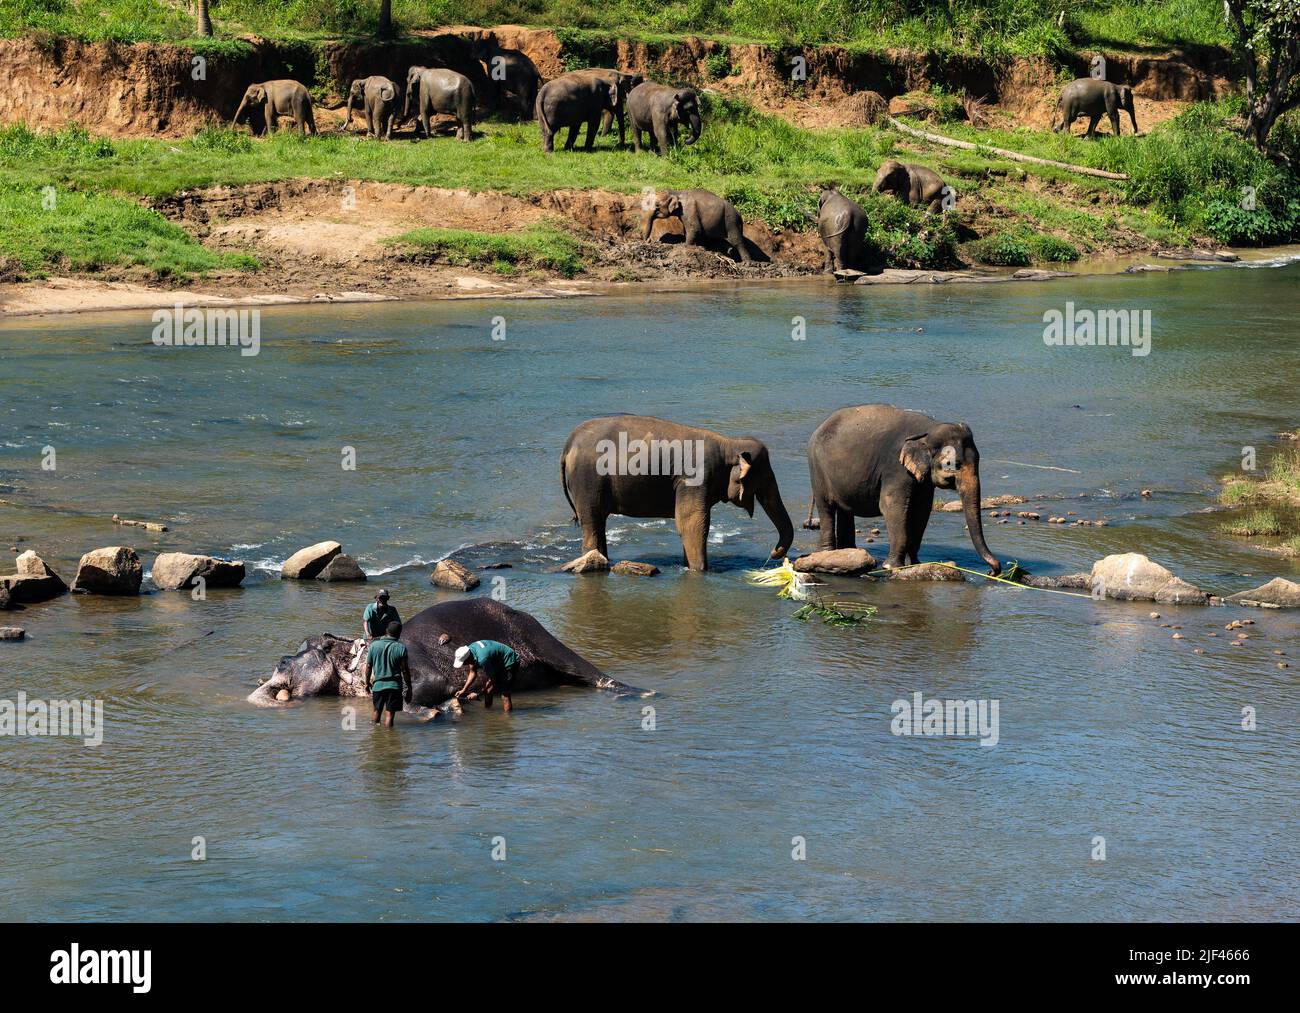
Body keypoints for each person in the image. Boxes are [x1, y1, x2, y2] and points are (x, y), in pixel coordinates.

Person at [364, 620, 411, 728]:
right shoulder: (401, 648)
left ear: (386, 631)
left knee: (376, 711)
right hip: (394, 687)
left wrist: (367, 683)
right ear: (399, 634)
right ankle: (390, 741)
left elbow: (368, 667)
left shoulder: (374, 646)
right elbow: (405, 670)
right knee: (389, 715)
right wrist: (409, 687)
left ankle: (375, 736)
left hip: (378, 686)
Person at [454, 639, 520, 713]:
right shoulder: (469, 651)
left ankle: (508, 718)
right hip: (497, 661)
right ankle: (488, 711)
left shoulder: (482, 659)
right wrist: (464, 690)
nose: (463, 665)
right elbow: (473, 672)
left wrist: (477, 694)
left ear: (468, 659)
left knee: (505, 694)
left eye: (463, 663)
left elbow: (492, 678)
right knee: (488, 690)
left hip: (509, 661)